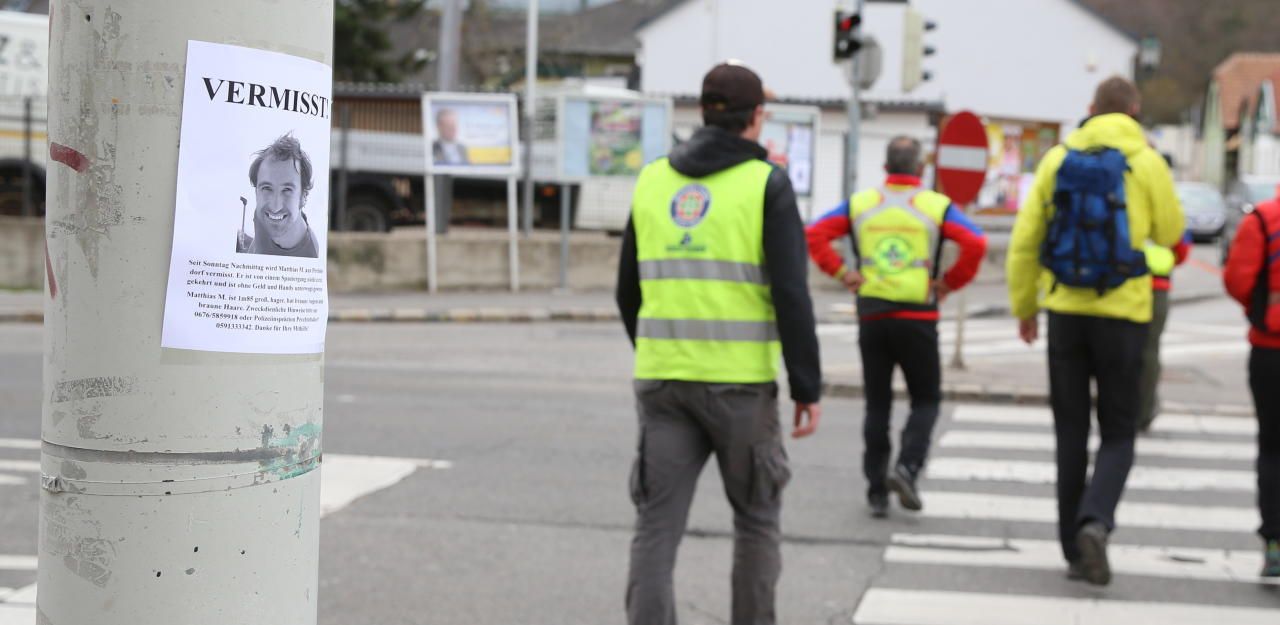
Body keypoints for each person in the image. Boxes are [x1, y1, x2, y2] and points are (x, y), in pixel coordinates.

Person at [615, 61, 822, 625]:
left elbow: (626, 290)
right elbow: (790, 294)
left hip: (662, 383)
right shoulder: (765, 185)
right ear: (756, 117)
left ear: (703, 111)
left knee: (656, 527)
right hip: (740, 389)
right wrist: (807, 385)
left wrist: (656, 349)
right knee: (756, 521)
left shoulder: (653, 178)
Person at [1007, 76, 1184, 586]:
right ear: (1134, 109)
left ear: (1091, 108)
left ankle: (1071, 549)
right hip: (1124, 315)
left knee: (1070, 431)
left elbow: (1024, 242)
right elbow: (1171, 232)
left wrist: (1025, 308)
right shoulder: (1146, 161)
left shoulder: (1058, 160)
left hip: (1065, 313)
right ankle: (1096, 522)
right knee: (1119, 431)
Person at [806, 137, 987, 518]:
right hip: (918, 314)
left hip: (873, 313)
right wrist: (948, 283)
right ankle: (907, 467)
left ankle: (875, 491)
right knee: (926, 399)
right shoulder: (935, 206)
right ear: (920, 169)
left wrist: (842, 273)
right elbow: (975, 242)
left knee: (878, 403)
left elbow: (815, 234)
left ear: (886, 168)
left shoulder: (862, 204)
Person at [1222, 184, 1280, 578]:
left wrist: (1260, 307)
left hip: (1271, 350)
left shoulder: (1263, 217)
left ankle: (1275, 545)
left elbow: (1237, 280)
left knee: (1273, 448)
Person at [1137, 230, 1192, 432]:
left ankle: (1118, 410)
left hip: (1120, 283)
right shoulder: (1165, 203)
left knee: (1118, 350)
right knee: (1149, 352)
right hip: (1156, 285)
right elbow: (1183, 248)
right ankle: (1143, 412)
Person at [236, 134, 320, 258]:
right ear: (256, 191)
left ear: (303, 197)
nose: (275, 207)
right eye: (267, 188)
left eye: (287, 190)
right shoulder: (264, 212)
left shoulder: (307, 256)